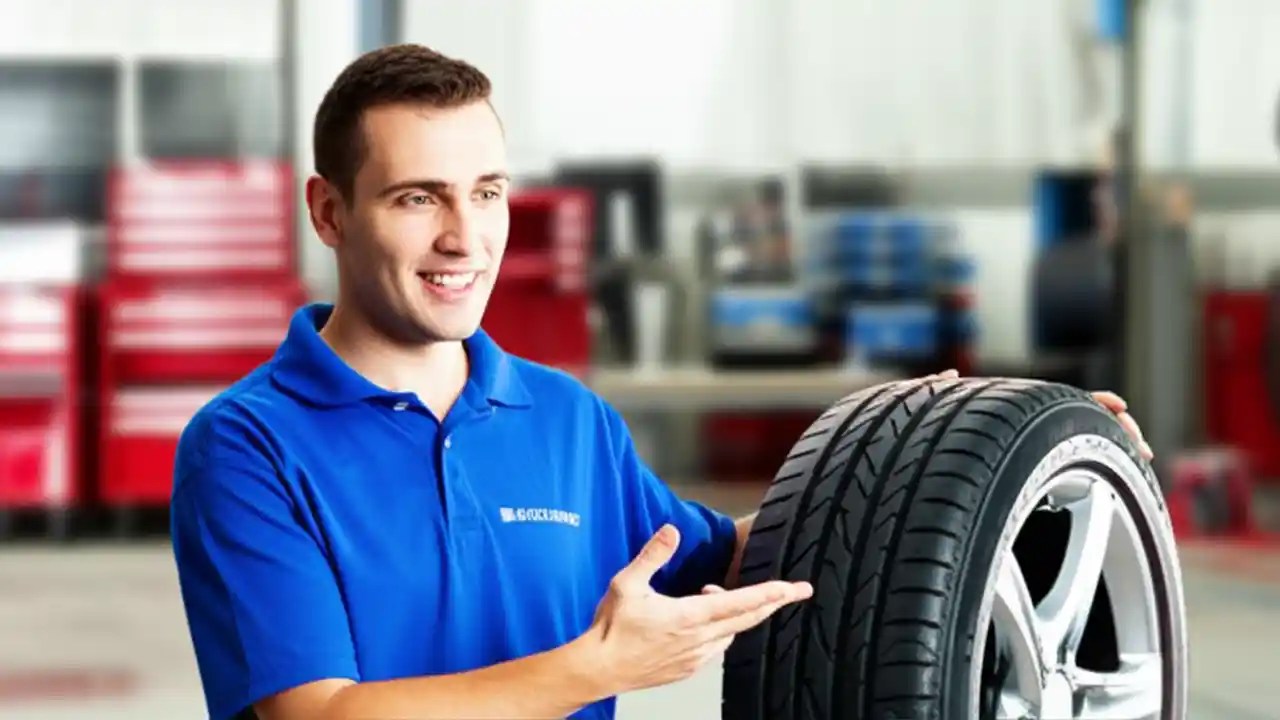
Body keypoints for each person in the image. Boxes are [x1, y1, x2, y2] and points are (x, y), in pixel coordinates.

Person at [169, 44, 1151, 720]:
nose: (463, 238)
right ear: (329, 212)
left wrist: (966, 454)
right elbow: (320, 712)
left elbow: (743, 561)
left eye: (486, 192)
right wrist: (591, 673)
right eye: (416, 197)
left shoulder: (563, 420)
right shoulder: (250, 444)